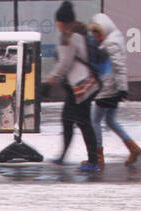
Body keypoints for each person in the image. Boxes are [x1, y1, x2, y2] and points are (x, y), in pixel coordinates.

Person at [43, 2, 101, 171]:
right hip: (78, 87)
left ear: (61, 22)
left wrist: (51, 79)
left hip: (80, 88)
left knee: (83, 123)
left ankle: (93, 161)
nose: (56, 24)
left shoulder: (67, 38)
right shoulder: (78, 34)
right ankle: (63, 157)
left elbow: (65, 63)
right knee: (68, 120)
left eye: (57, 20)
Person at [88, 13, 141, 166]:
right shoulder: (114, 38)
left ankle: (98, 155)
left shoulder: (110, 43)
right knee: (110, 121)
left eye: (97, 33)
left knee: (95, 121)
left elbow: (119, 67)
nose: (96, 37)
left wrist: (123, 89)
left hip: (108, 88)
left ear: (103, 30)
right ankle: (133, 148)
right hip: (113, 87)